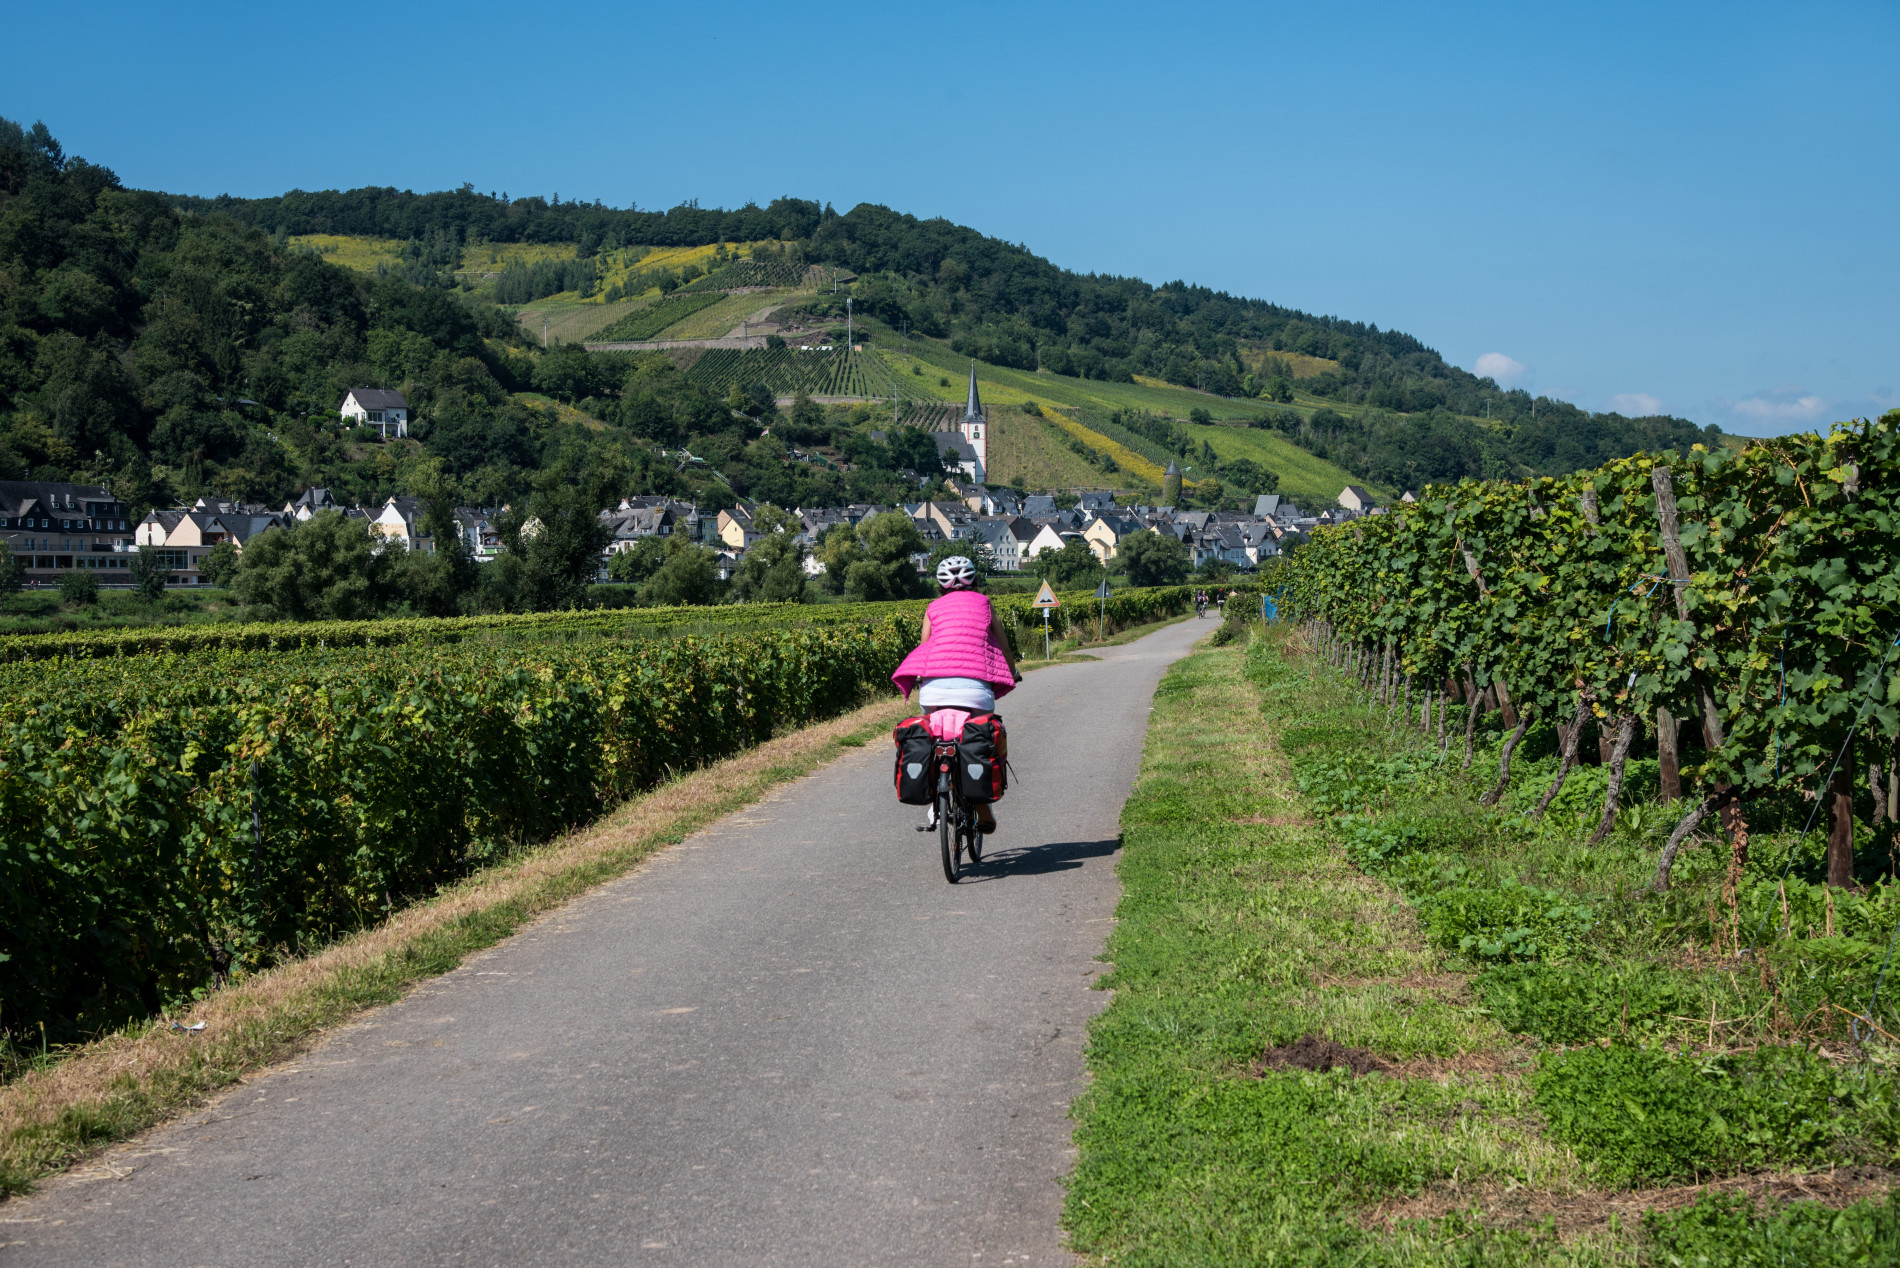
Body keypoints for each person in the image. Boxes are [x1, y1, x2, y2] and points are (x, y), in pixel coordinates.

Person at [890, 556, 1021, 833]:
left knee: (937, 738)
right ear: (974, 580)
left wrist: (919, 679)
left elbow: (925, 647)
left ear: (940, 585)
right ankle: (983, 809)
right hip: (975, 689)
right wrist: (1012, 671)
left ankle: (934, 801)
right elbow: (1004, 646)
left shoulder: (933, 608)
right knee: (981, 740)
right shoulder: (984, 603)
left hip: (934, 690)